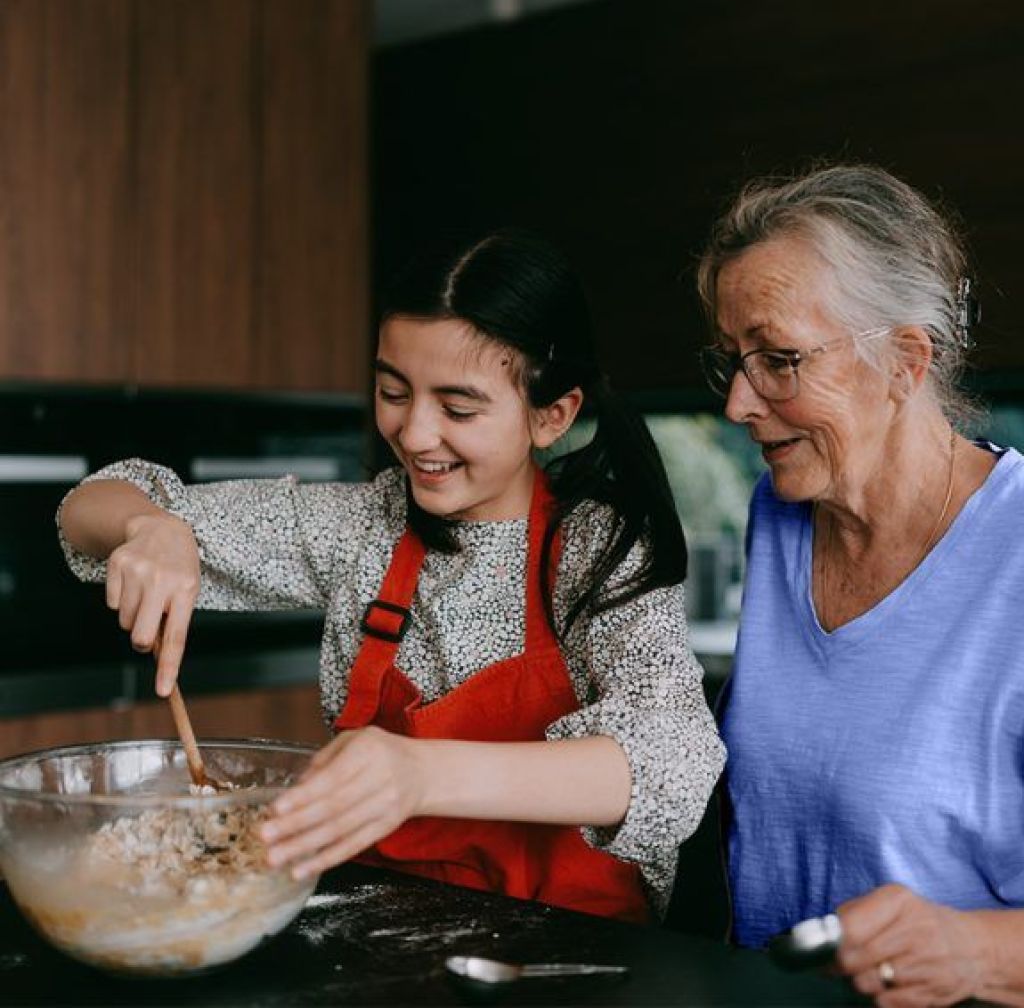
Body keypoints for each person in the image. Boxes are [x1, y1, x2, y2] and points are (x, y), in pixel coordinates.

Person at [59, 228, 725, 924]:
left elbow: (674, 759)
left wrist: (421, 775)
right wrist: (150, 528)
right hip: (382, 938)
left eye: (458, 408)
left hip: (572, 957)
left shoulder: (600, 548)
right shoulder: (364, 528)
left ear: (551, 415)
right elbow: (91, 505)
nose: (413, 433)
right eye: (392, 391)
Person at [697, 164, 1024, 1005]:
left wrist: (971, 950)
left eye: (778, 359)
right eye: (732, 361)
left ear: (905, 361)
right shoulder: (784, 511)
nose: (739, 402)